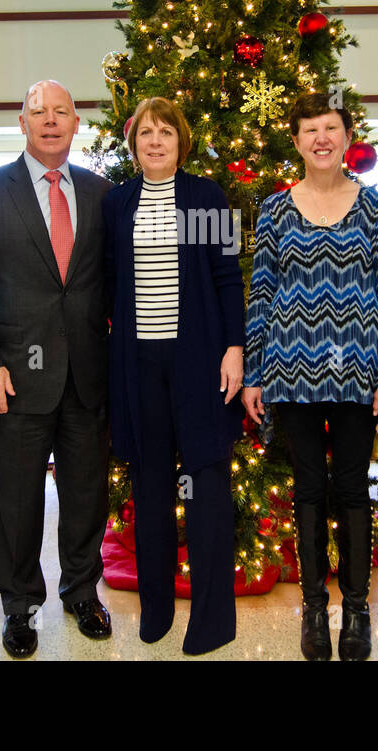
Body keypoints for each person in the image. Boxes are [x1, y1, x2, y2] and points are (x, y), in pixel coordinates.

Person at [0, 80, 113, 658]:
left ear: (76, 124)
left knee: (87, 493)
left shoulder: (101, 192)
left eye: (60, 112)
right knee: (16, 499)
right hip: (15, 376)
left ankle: (82, 591)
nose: (49, 121)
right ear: (21, 122)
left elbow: (111, 285)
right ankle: (18, 606)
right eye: (38, 112)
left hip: (89, 375)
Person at [243, 92, 378, 662]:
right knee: (309, 491)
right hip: (293, 375)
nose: (320, 138)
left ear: (346, 136)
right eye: (310, 129)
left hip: (361, 376)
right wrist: (254, 373)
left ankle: (356, 609)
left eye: (330, 127)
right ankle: (314, 608)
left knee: (352, 489)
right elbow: (261, 293)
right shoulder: (275, 211)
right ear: (297, 140)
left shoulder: (376, 208)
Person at [103, 97, 243, 654]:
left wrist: (234, 349)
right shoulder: (116, 203)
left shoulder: (205, 196)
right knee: (151, 487)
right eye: (145, 134)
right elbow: (109, 282)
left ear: (181, 141)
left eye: (165, 132)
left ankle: (212, 620)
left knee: (208, 490)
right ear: (133, 143)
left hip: (200, 362)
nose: (155, 141)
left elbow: (228, 276)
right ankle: (156, 610)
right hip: (138, 365)